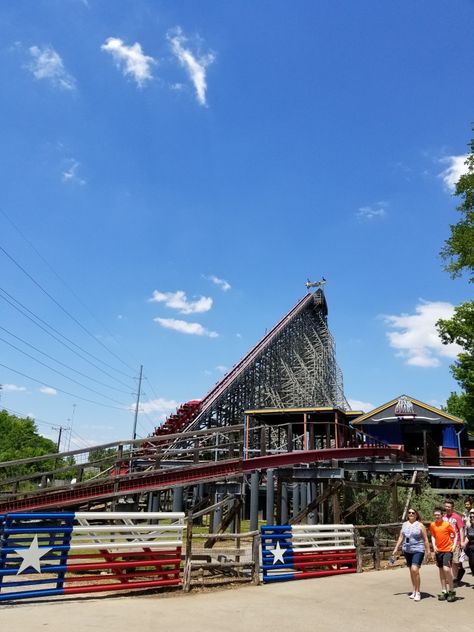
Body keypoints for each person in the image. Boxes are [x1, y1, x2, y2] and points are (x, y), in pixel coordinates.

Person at [391, 508, 430, 602]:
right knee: (411, 571)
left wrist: (428, 551)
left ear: (416, 515)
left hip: (418, 549)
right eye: (409, 513)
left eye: (413, 513)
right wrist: (396, 548)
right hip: (407, 550)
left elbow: (425, 539)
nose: (411, 514)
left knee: (414, 569)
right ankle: (414, 590)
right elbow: (401, 537)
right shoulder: (404, 524)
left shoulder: (420, 525)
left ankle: (418, 592)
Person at [430, 506, 458, 602]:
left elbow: (455, 534)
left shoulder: (447, 524)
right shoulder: (433, 525)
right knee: (441, 571)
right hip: (438, 551)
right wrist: (434, 546)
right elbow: (433, 536)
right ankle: (444, 591)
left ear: (442, 515)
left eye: (438, 515)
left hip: (447, 550)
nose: (437, 516)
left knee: (446, 569)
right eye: (435, 515)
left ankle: (452, 591)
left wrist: (454, 546)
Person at [444, 499, 465, 583]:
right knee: (448, 561)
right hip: (446, 543)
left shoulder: (457, 517)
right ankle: (451, 577)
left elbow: (461, 530)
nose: (447, 508)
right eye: (446, 506)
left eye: (449, 507)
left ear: (452, 507)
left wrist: (462, 541)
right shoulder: (444, 517)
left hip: (456, 542)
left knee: (454, 561)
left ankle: (455, 578)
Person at [462, 507, 474, 575]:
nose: (472, 518)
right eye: (471, 517)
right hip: (471, 548)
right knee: (472, 564)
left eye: (473, 517)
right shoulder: (470, 528)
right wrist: (464, 544)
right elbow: (468, 537)